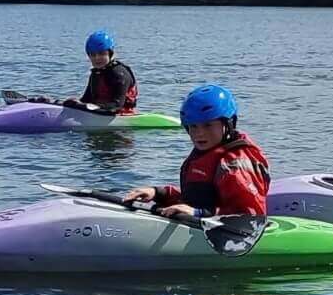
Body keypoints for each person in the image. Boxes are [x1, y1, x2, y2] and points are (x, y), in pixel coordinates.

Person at [122, 84, 269, 219]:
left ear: (228, 124)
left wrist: (198, 213)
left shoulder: (235, 164)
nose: (200, 133)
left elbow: (250, 217)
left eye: (208, 125)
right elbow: (197, 198)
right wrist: (159, 193)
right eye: (193, 126)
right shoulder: (206, 152)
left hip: (233, 236)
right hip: (203, 225)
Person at [70, 30, 138, 114]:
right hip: (98, 113)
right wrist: (73, 104)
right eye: (93, 55)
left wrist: (87, 107)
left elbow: (116, 105)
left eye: (102, 54)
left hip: (120, 115)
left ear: (110, 54)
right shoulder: (96, 74)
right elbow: (86, 100)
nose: (97, 58)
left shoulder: (119, 74)